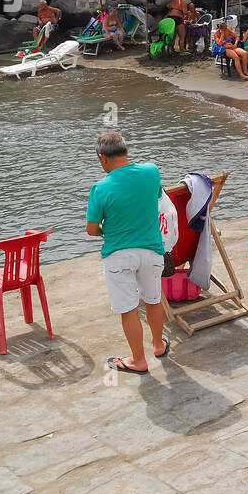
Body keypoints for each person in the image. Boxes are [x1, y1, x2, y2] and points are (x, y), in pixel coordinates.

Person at [85, 132, 169, 374]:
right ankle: (158, 345)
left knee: (128, 308)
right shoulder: (151, 171)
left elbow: (91, 230)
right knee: (153, 300)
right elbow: (153, 199)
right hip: (151, 252)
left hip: (119, 255)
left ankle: (138, 360)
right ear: (126, 151)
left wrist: (109, 228)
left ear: (103, 158)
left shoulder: (100, 188)